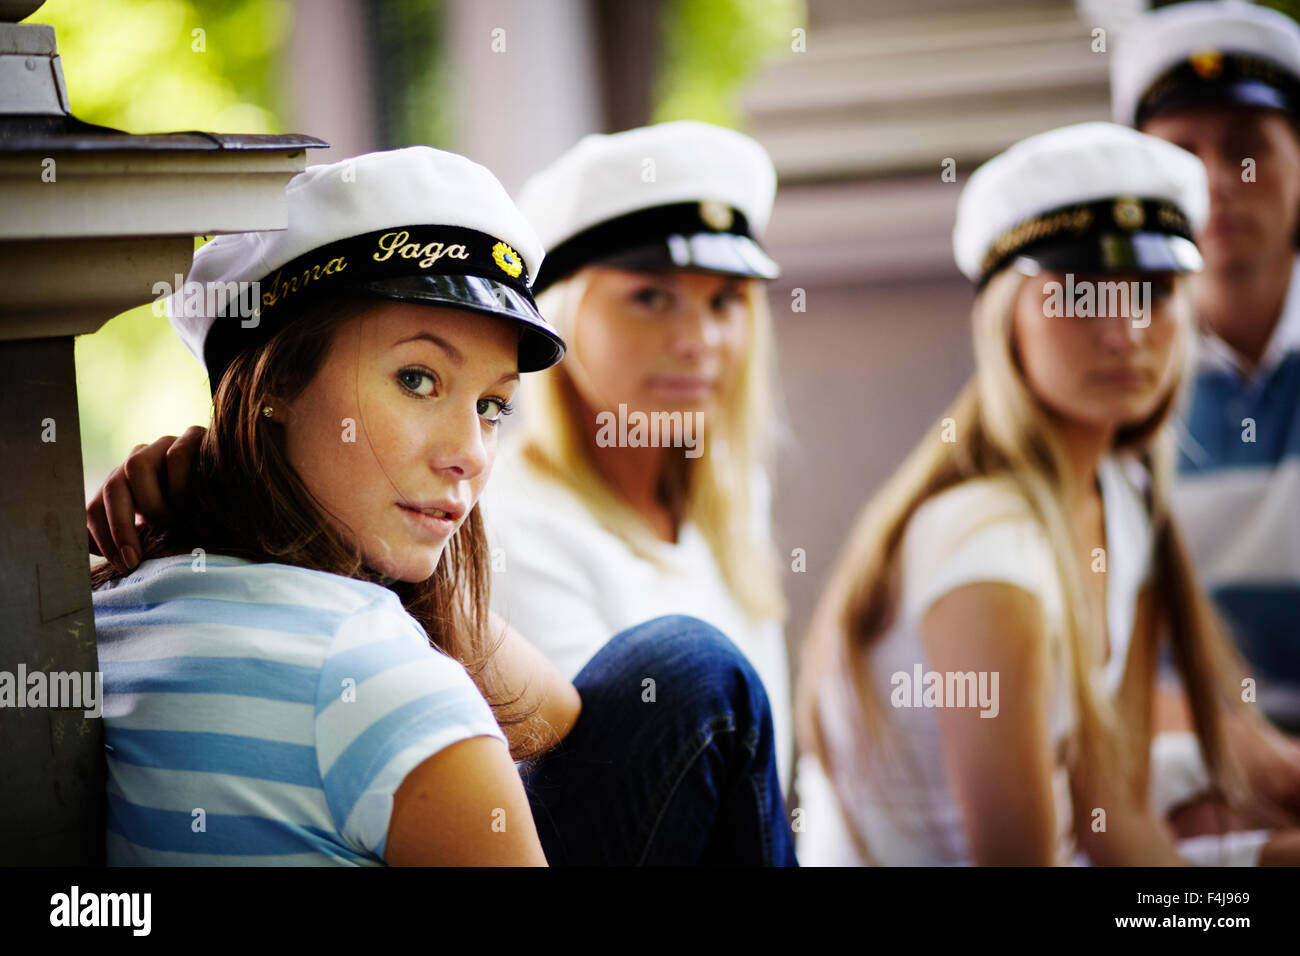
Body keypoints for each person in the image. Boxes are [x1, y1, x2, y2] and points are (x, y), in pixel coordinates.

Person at [88, 145, 796, 865]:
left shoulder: (108, 604)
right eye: (418, 379)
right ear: (276, 382)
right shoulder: (386, 683)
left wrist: (228, 473)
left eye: (492, 405)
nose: (472, 452)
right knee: (700, 668)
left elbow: (566, 723)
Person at [793, 122, 1300, 866]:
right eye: (1080, 294)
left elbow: (1111, 816)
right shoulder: (988, 551)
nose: (1124, 332)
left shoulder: (1121, 497)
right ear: (1009, 320)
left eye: (1153, 292)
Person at [480, 120, 796, 791]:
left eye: (725, 301)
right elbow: (631, 807)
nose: (698, 340)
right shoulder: (511, 528)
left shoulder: (736, 498)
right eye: (650, 297)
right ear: (562, 317)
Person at [1111, 0, 1300, 838]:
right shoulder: (1110, 379)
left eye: (1248, 148)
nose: (1218, 181)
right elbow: (1092, 651)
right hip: (1191, 766)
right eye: (1181, 155)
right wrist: (1226, 741)